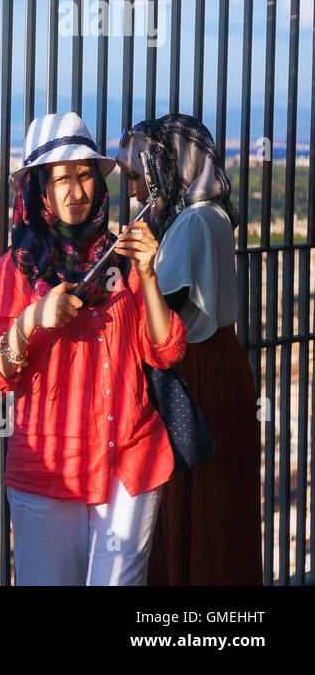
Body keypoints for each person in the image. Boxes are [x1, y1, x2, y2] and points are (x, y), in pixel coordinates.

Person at [0, 111, 186, 586]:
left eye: (85, 175)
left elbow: (165, 351)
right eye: (61, 179)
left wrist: (148, 274)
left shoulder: (120, 258)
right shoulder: (16, 272)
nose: (75, 192)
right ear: (38, 190)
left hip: (129, 458)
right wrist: (33, 319)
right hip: (51, 467)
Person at [115, 115, 263, 585]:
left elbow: (162, 311)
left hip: (195, 373)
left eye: (140, 174)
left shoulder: (192, 222)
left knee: (191, 503)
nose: (137, 190)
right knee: (220, 503)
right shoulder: (212, 213)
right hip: (221, 362)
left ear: (171, 165)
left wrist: (134, 267)